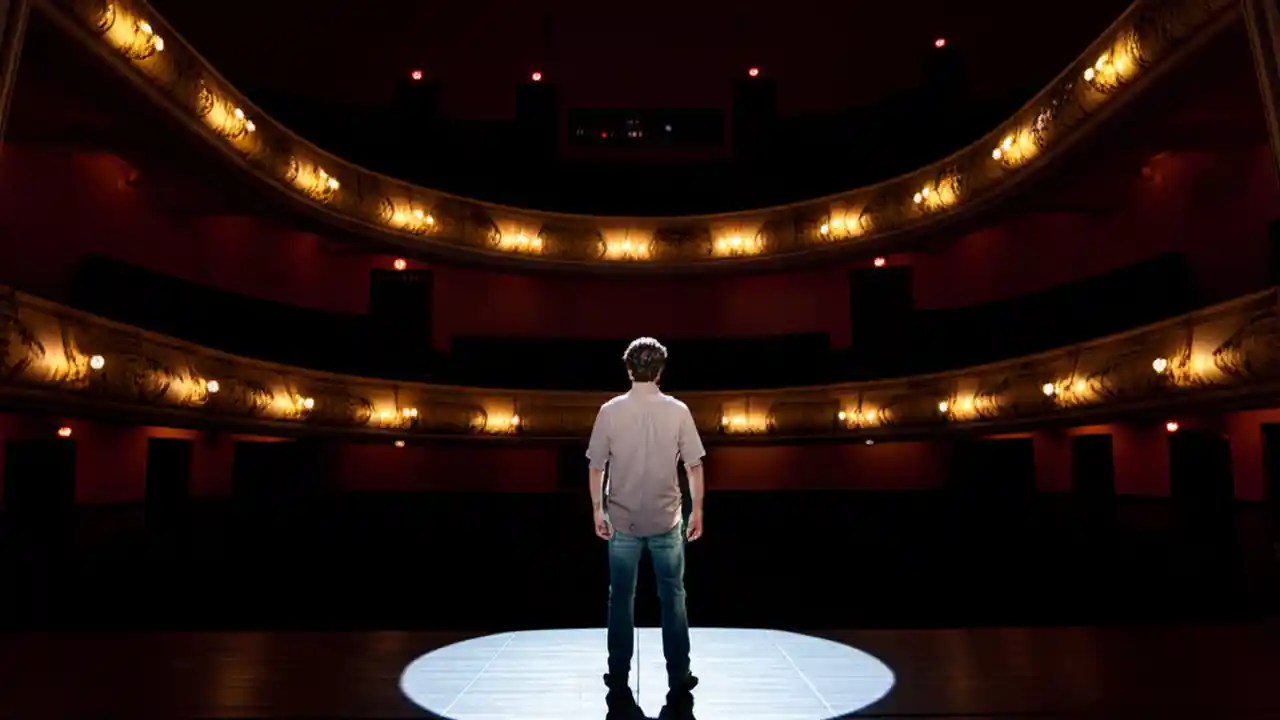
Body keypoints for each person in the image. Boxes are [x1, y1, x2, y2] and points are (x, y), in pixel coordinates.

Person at [587, 337, 706, 697]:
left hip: (622, 522)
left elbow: (596, 467)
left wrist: (597, 509)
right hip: (667, 521)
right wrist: (697, 508)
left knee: (620, 598)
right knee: (673, 597)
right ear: (660, 371)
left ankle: (618, 675)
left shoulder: (609, 411)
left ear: (629, 369)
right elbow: (694, 466)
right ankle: (679, 674)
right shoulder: (678, 410)